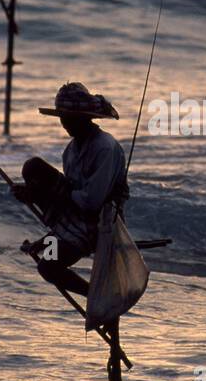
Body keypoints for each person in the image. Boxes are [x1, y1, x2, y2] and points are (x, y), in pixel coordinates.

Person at [12, 82, 127, 297]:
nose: (64, 123)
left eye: (68, 118)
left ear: (84, 117)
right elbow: (70, 203)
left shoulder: (105, 147)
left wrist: (40, 195)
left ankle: (96, 296)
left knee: (49, 266)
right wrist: (46, 238)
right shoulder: (71, 151)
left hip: (98, 225)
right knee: (47, 264)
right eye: (62, 117)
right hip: (70, 228)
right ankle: (49, 243)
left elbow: (91, 202)